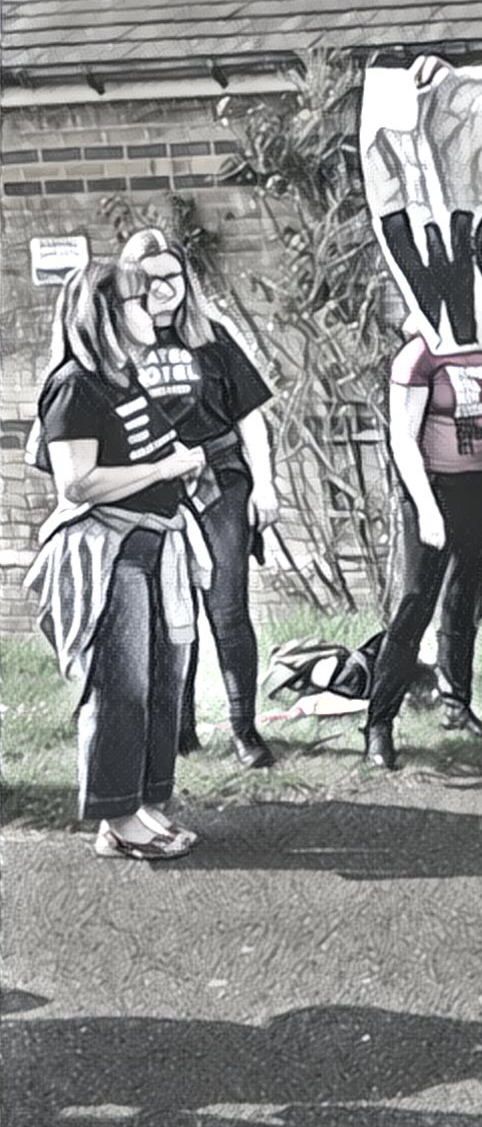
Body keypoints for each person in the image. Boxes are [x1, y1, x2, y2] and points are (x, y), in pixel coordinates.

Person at [25, 262, 210, 860]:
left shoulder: (123, 379)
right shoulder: (75, 386)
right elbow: (77, 484)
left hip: (156, 547)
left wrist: (179, 460)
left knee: (162, 681)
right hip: (112, 551)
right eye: (140, 297)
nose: (157, 304)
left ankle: (144, 805)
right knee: (122, 687)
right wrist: (165, 469)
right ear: (103, 313)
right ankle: (116, 820)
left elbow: (143, 448)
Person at [117, 229, 280, 769]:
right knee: (166, 612)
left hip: (220, 482)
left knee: (228, 608)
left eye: (173, 276)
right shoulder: (118, 344)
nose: (165, 289)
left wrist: (267, 483)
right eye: (151, 279)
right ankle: (178, 729)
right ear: (130, 283)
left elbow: (250, 414)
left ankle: (244, 730)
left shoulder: (211, 336)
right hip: (152, 488)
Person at [363, 319, 482, 769]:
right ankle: (379, 722)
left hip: (480, 485)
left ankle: (457, 702)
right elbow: (402, 436)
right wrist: (427, 508)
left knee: (464, 595)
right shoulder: (419, 355)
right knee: (417, 602)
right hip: (433, 488)